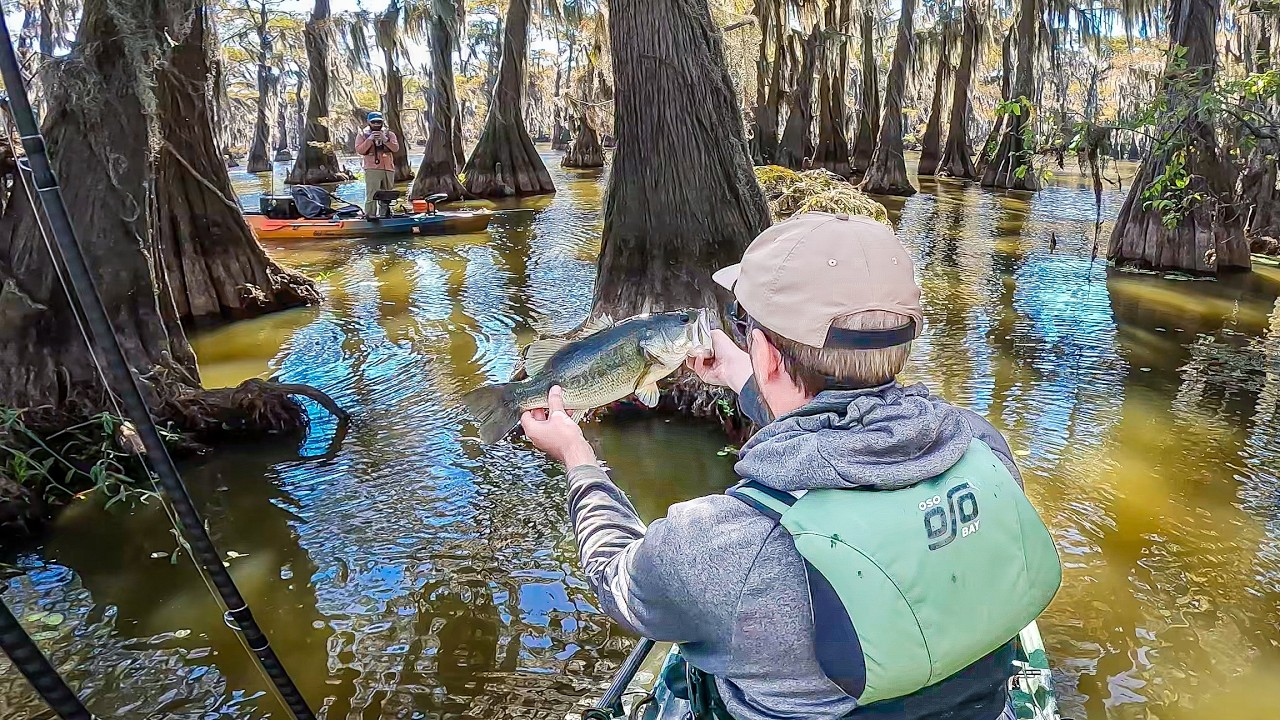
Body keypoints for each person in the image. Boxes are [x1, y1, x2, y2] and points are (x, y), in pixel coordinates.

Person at [518, 212, 1063, 720]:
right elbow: (851, 424)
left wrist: (579, 458)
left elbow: (617, 580)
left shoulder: (724, 543)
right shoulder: (982, 448)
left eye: (744, 323)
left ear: (770, 355)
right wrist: (745, 378)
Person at [355, 111, 399, 218]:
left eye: (378, 122)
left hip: (388, 168)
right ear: (369, 122)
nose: (376, 124)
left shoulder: (389, 134)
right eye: (373, 122)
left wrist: (385, 140)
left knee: (387, 194)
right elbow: (360, 150)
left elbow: (395, 148)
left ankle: (385, 215)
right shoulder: (362, 135)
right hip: (372, 168)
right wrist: (370, 140)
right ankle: (370, 215)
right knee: (372, 194)